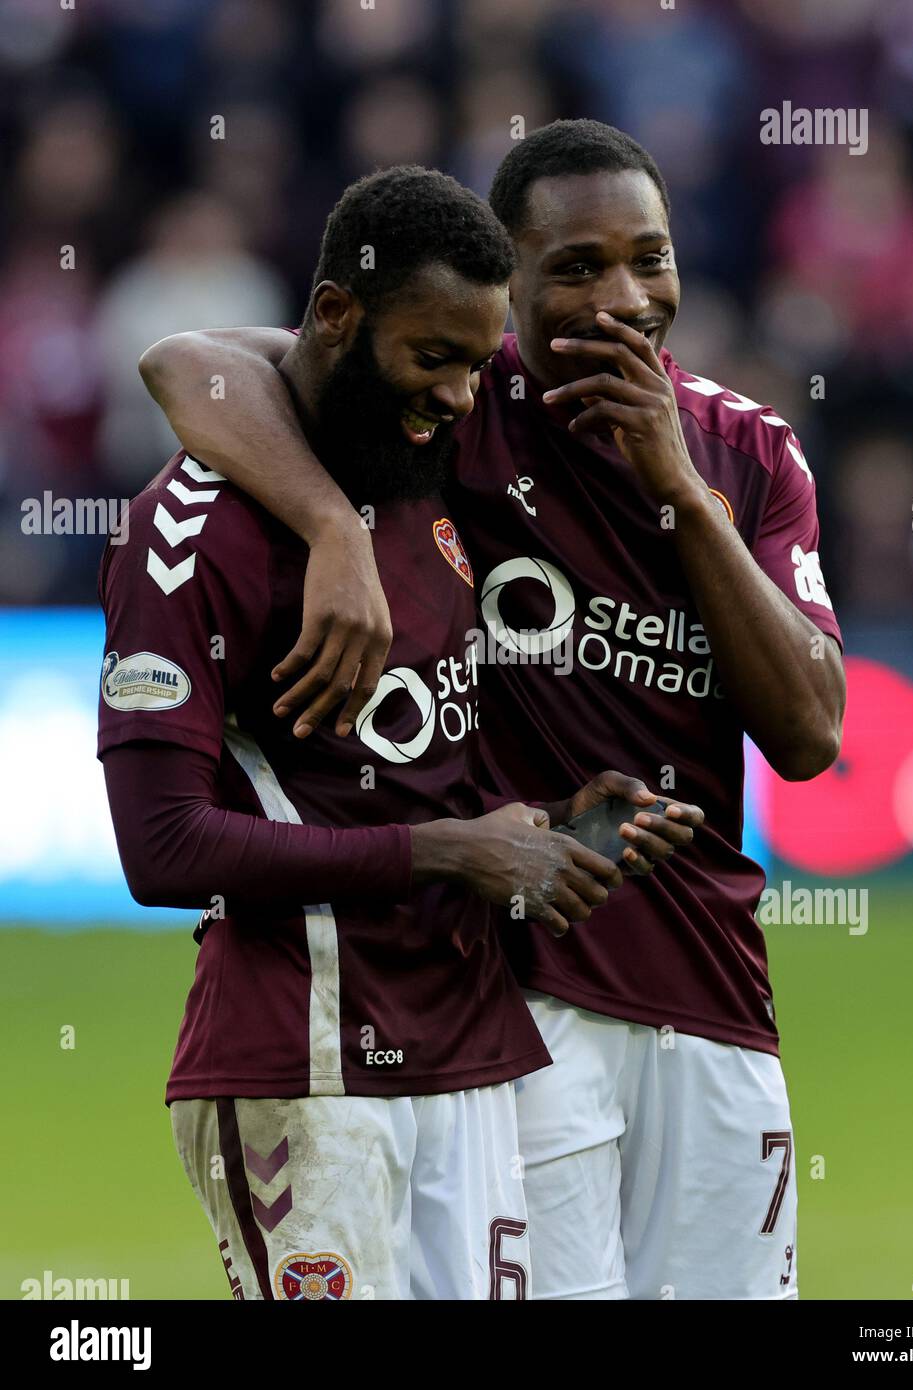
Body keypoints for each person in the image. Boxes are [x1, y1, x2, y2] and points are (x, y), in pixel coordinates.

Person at [139, 122, 846, 1300]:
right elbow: (182, 363)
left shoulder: (746, 451)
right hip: (524, 995)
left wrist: (677, 488)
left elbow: (809, 734)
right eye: (573, 267)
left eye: (648, 259)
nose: (620, 298)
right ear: (508, 282)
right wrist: (329, 525)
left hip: (715, 987)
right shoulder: (457, 399)